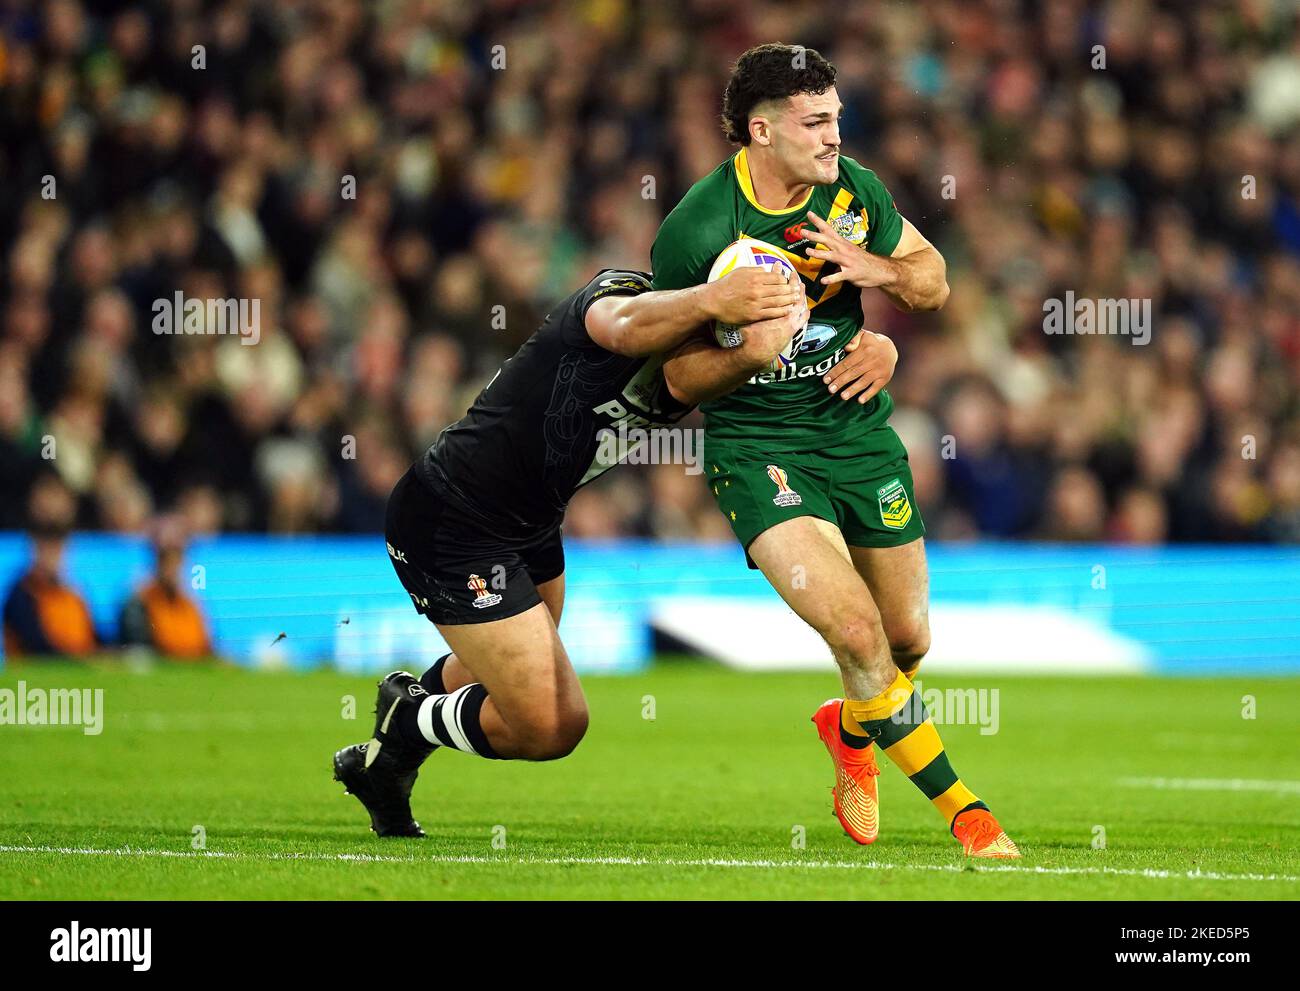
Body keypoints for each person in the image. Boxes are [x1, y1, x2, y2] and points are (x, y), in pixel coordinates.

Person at [333, 264, 859, 837]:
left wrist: (877, 350)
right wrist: (713, 299)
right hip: (453, 516)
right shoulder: (625, 293)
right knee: (551, 726)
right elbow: (624, 327)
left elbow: (785, 378)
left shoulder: (709, 359)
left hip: (530, 521)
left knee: (522, 683)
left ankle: (393, 751)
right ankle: (408, 722)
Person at [652, 43, 1018, 857]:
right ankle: (968, 812)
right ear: (761, 130)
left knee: (908, 637)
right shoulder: (699, 229)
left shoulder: (855, 192)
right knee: (858, 634)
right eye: (817, 122)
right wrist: (751, 351)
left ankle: (850, 728)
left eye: (837, 118)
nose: (833, 137)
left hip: (855, 431)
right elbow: (673, 376)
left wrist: (879, 281)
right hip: (758, 447)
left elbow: (935, 280)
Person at [2, 476, 98, 660]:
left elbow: (93, 640)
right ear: (35, 550)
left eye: (58, 548)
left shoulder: (74, 594)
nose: (53, 557)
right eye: (47, 548)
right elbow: (37, 647)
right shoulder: (21, 595)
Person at [118, 516, 213, 661]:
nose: (172, 569)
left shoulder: (191, 603)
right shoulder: (138, 602)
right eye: (167, 561)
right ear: (156, 562)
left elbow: (204, 648)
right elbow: (139, 651)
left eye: (177, 560)